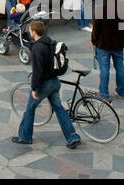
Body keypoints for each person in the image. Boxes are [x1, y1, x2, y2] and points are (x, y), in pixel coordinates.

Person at [12, 20, 81, 149]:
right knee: (59, 109)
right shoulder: (49, 42)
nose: (29, 32)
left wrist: (34, 88)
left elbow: (38, 71)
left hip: (45, 84)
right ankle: (72, 137)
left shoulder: (38, 48)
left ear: (34, 32)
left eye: (30, 30)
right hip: (55, 82)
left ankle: (25, 137)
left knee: (29, 109)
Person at [91, 0, 124, 100]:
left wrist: (94, 41)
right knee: (120, 66)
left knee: (104, 69)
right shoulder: (123, 6)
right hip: (119, 43)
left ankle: (104, 93)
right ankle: (121, 91)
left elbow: (96, 29)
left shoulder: (100, 8)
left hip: (103, 44)